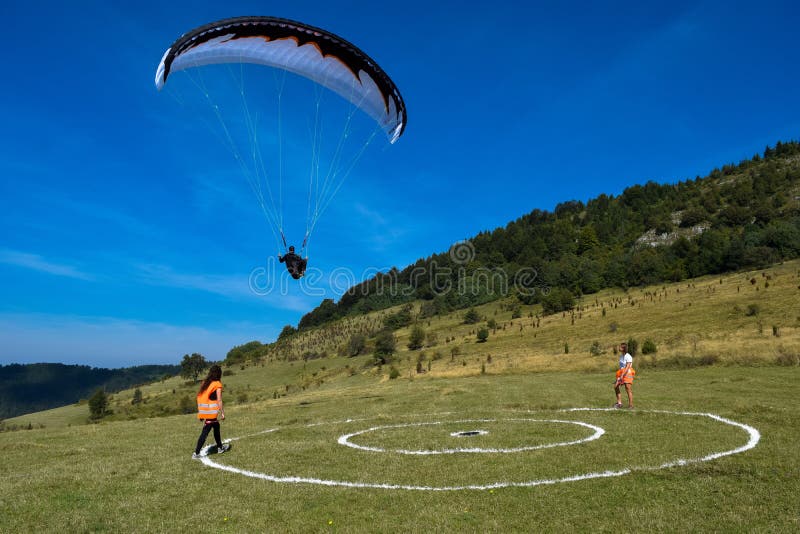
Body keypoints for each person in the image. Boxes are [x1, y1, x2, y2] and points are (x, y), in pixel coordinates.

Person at [192, 365, 230, 458]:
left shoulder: (205, 383)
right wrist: (222, 412)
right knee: (206, 431)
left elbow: (200, 397)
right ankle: (196, 453)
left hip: (204, 411)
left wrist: (201, 413)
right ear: (219, 374)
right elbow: (219, 400)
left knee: (216, 426)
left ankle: (220, 448)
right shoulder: (217, 384)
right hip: (211, 412)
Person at [613, 342, 635, 409]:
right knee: (616, 386)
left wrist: (622, 375)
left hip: (627, 373)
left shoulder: (628, 356)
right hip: (621, 373)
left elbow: (627, 367)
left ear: (624, 348)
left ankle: (631, 405)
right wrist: (619, 376)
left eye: (620, 347)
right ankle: (619, 403)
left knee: (628, 389)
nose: (619, 347)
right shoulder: (621, 356)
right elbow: (621, 367)